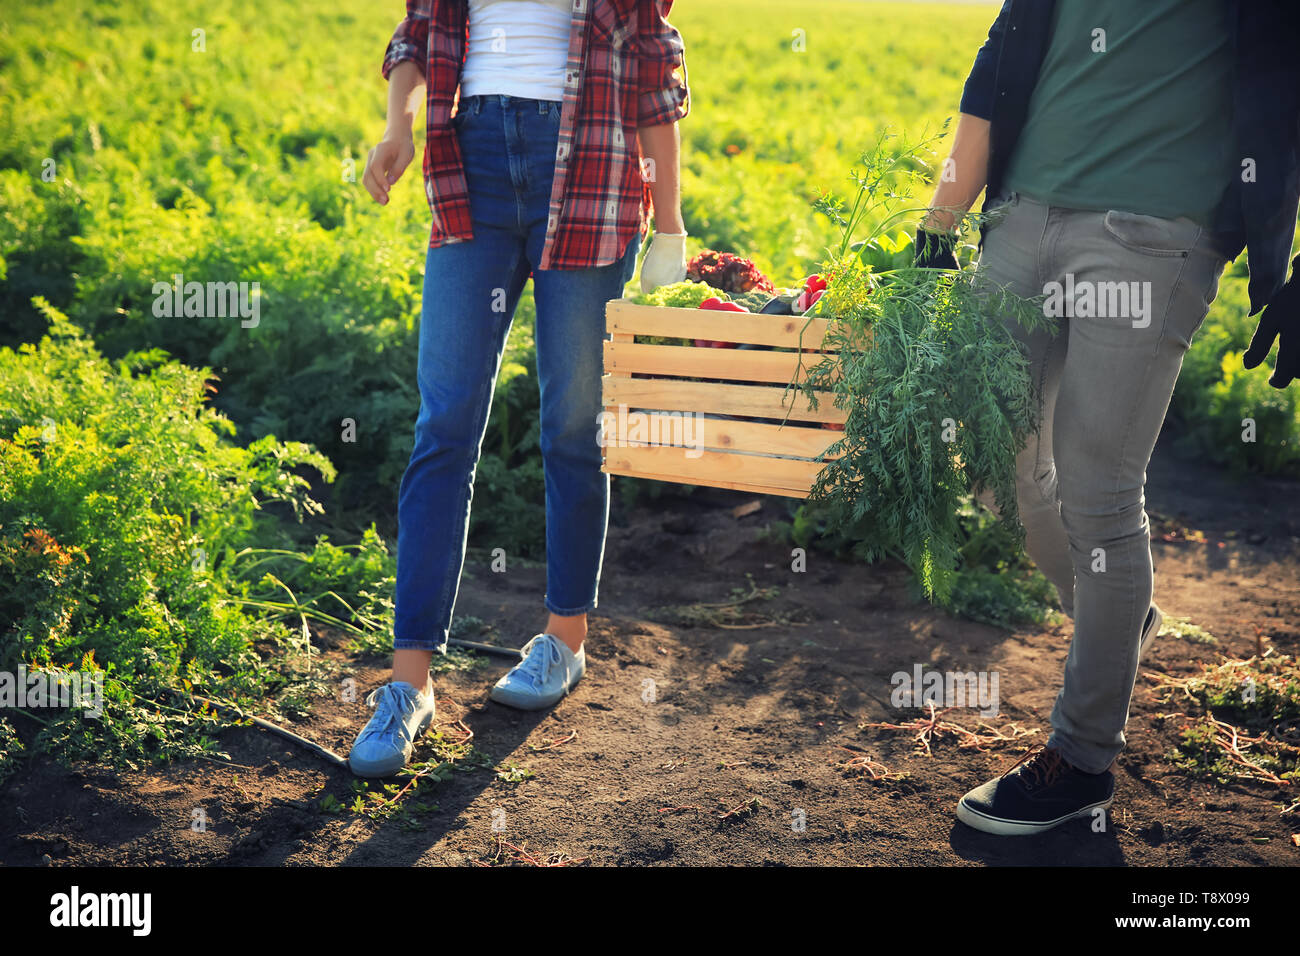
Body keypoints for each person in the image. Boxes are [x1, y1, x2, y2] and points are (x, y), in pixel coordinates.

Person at [916, 0, 1300, 835]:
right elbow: (999, 65)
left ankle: (1082, 760)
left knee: (1098, 494)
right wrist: (940, 216)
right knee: (998, 463)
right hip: (1019, 221)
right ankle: (1123, 622)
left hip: (1151, 236)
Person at [349, 0, 691, 777]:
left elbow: (652, 71)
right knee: (444, 427)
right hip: (472, 163)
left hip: (594, 172)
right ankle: (409, 685)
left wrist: (668, 222)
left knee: (573, 426)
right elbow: (418, 34)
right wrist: (398, 126)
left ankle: (563, 641)